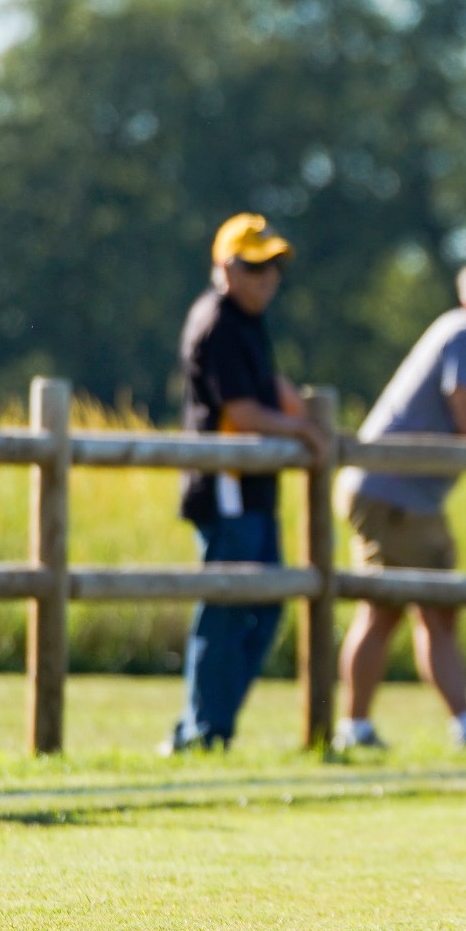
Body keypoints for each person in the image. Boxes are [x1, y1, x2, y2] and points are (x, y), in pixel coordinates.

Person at [332, 259, 466, 755]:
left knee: (440, 614)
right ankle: (355, 727)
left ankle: (464, 726)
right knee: (384, 612)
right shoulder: (463, 336)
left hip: (421, 498)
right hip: (386, 490)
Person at [167, 213, 329, 754]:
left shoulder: (247, 320)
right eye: (255, 266)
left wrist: (300, 412)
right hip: (225, 487)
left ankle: (207, 728)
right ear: (224, 267)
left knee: (267, 605)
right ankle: (202, 731)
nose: (267, 279)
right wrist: (305, 430)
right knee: (228, 605)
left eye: (274, 267)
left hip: (254, 488)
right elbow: (243, 411)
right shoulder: (217, 322)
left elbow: (269, 389)